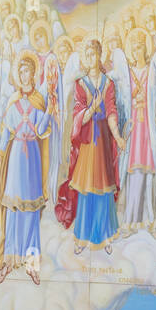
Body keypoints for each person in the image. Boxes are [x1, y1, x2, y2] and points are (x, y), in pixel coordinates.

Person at [56, 38, 125, 254]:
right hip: (87, 145)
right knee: (86, 189)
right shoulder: (80, 84)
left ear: (100, 56)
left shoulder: (108, 83)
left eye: (94, 53)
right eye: (87, 54)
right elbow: (77, 114)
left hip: (103, 141)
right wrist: (91, 109)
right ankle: (83, 237)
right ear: (84, 59)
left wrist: (118, 135)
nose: (91, 58)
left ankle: (104, 236)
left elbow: (112, 111)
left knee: (103, 188)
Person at [0, 52, 51, 284]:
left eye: (28, 71)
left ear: (34, 73)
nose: (25, 75)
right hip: (16, 156)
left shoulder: (39, 101)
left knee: (32, 211)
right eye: (22, 71)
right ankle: (9, 261)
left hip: (33, 157)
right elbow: (6, 132)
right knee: (14, 209)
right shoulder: (13, 101)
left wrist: (49, 110)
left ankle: (32, 264)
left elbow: (41, 130)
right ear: (18, 75)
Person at [119, 28, 156, 237]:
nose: (137, 51)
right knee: (134, 173)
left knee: (148, 175)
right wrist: (133, 97)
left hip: (148, 128)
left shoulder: (152, 71)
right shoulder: (128, 74)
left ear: (146, 49)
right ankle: (130, 221)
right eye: (134, 48)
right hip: (135, 128)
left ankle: (150, 220)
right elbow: (123, 100)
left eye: (140, 47)